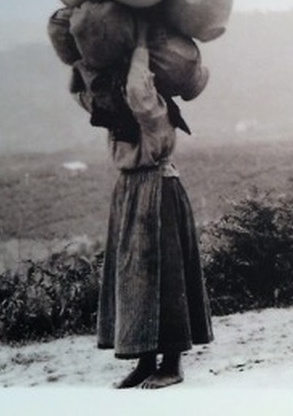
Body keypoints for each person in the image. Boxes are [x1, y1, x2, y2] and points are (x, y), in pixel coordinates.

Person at [73, 20, 213, 388]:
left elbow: (138, 90)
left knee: (166, 276)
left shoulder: (155, 110)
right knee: (134, 277)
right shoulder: (115, 112)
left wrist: (139, 44)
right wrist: (82, 55)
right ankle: (144, 359)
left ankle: (172, 363)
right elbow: (84, 93)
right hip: (130, 191)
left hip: (158, 189)